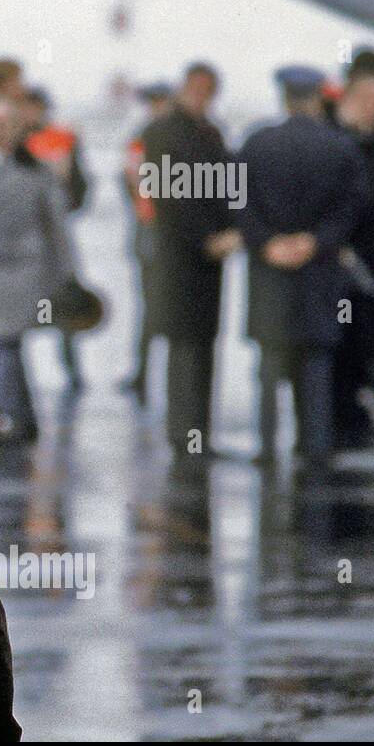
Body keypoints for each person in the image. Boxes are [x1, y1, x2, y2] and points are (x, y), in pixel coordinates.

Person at [238, 66, 365, 466]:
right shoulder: (341, 147)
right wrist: (315, 241)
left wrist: (267, 242)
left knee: (269, 364)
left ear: (285, 98)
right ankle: (314, 448)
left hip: (270, 273)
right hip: (320, 273)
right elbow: (354, 208)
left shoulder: (256, 144)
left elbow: (237, 201)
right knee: (315, 365)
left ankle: (265, 447)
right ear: (316, 98)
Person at [0, 97, 75, 442]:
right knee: (1, 341)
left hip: (24, 270)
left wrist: (68, 275)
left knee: (5, 340)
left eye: (7, 125)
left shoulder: (39, 171)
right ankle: (22, 416)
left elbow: (58, 226)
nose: (0, 132)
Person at [141, 62, 241, 458]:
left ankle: (199, 435)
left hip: (210, 258)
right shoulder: (162, 132)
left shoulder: (211, 133)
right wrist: (207, 238)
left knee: (205, 344)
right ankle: (184, 436)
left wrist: (231, 231)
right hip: (179, 256)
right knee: (184, 345)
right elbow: (169, 198)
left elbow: (229, 187)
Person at [332, 55, 374, 448]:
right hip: (345, 260)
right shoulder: (342, 141)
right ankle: (346, 411)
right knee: (347, 332)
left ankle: (366, 398)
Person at [21, 85, 92, 392]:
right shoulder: (16, 142)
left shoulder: (63, 139)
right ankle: (21, 375)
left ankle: (71, 367)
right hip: (23, 234)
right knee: (22, 303)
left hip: (57, 232)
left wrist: (68, 204)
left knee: (64, 295)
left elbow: (81, 184)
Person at [119, 82, 173, 399]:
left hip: (164, 231)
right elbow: (130, 183)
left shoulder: (167, 140)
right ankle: (144, 372)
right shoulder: (140, 141)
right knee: (149, 305)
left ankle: (149, 372)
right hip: (149, 228)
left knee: (162, 307)